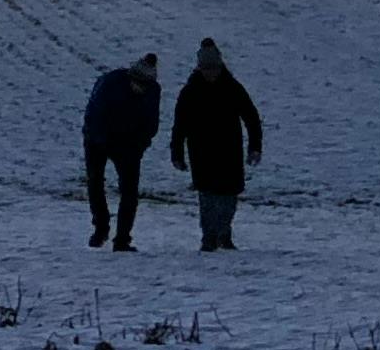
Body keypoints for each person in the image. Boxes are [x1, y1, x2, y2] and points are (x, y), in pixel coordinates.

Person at [169, 38, 263, 250]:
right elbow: (179, 125)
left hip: (229, 150)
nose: (210, 73)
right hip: (201, 152)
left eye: (213, 69)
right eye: (206, 69)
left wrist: (255, 146)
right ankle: (209, 236)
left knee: (229, 195)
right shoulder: (190, 92)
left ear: (220, 66)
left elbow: (251, 117)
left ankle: (224, 233)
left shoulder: (233, 88)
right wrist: (177, 154)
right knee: (208, 196)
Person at [80, 52, 162, 250]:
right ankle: (101, 227)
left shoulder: (152, 91)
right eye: (138, 83)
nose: (141, 89)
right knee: (95, 181)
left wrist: (141, 145)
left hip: (129, 144)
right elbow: (95, 115)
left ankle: (122, 239)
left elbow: (151, 122)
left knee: (130, 191)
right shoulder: (110, 83)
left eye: (145, 85)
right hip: (97, 139)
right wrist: (101, 141)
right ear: (131, 77)